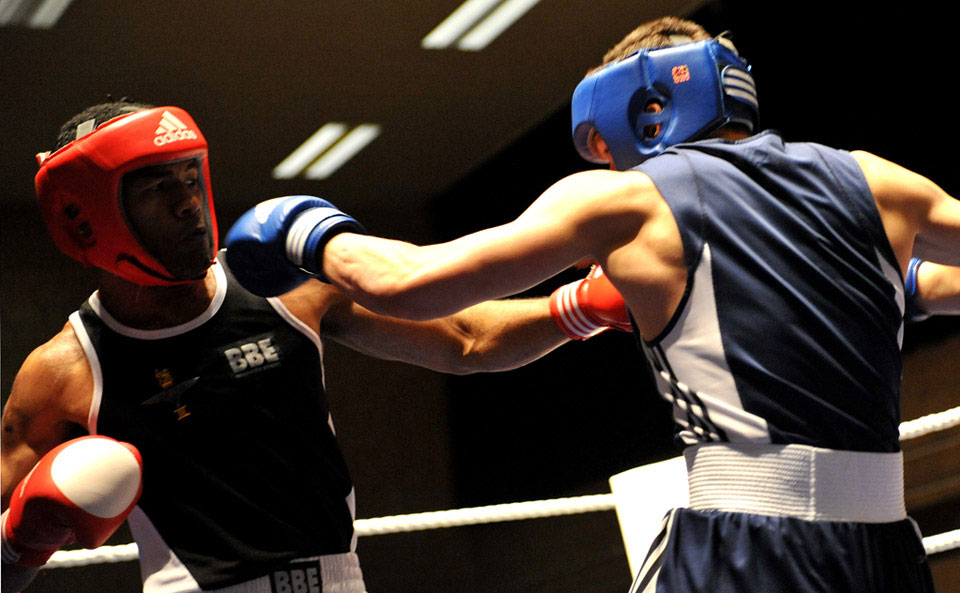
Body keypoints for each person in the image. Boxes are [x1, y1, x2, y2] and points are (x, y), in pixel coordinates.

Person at [224, 16, 960, 593]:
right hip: (885, 543)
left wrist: (307, 234)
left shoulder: (630, 203)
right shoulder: (874, 181)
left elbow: (413, 282)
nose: (604, 156)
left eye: (601, 140)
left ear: (644, 109)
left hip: (752, 543)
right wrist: (887, 293)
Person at [0, 100, 631, 593]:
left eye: (191, 176)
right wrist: (18, 543)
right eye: (156, 187)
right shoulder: (64, 374)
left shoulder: (282, 286)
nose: (189, 203)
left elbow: (467, 338)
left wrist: (579, 308)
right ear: (87, 217)